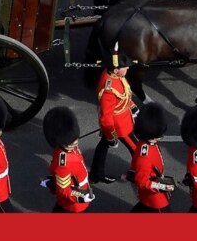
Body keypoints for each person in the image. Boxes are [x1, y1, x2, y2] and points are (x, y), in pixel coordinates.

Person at [90, 47, 138, 183]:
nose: (128, 69)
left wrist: (132, 106)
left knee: (102, 147)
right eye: (125, 67)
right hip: (118, 127)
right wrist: (112, 137)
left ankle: (96, 174)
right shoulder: (109, 89)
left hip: (124, 118)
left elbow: (125, 94)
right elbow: (106, 118)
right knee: (136, 149)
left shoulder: (115, 75)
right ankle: (135, 174)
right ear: (116, 70)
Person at [44, 106, 93, 212]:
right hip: (74, 205)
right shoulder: (64, 163)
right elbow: (64, 190)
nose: (74, 143)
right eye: (70, 142)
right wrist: (82, 195)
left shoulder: (67, 146)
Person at [130, 103, 174, 212]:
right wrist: (162, 186)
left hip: (149, 196)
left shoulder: (144, 143)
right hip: (156, 199)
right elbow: (142, 181)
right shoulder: (145, 155)